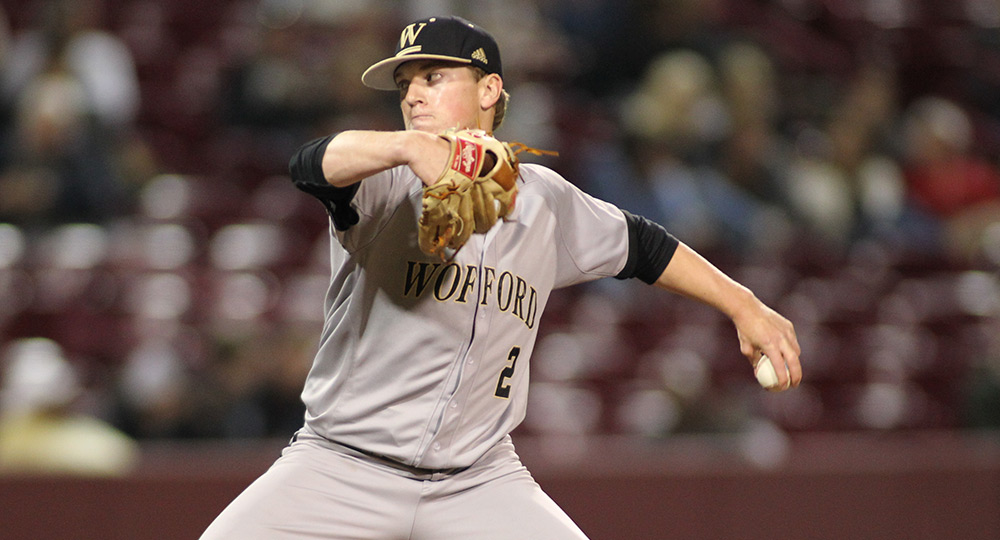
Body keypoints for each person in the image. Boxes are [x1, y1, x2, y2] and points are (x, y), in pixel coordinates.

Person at [200, 15, 802, 539]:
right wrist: (408, 150)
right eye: (407, 85)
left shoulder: (541, 200)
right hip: (342, 465)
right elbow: (309, 165)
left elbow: (642, 245)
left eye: (434, 78)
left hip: (478, 479)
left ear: (489, 89)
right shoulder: (384, 180)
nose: (413, 96)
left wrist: (744, 304)